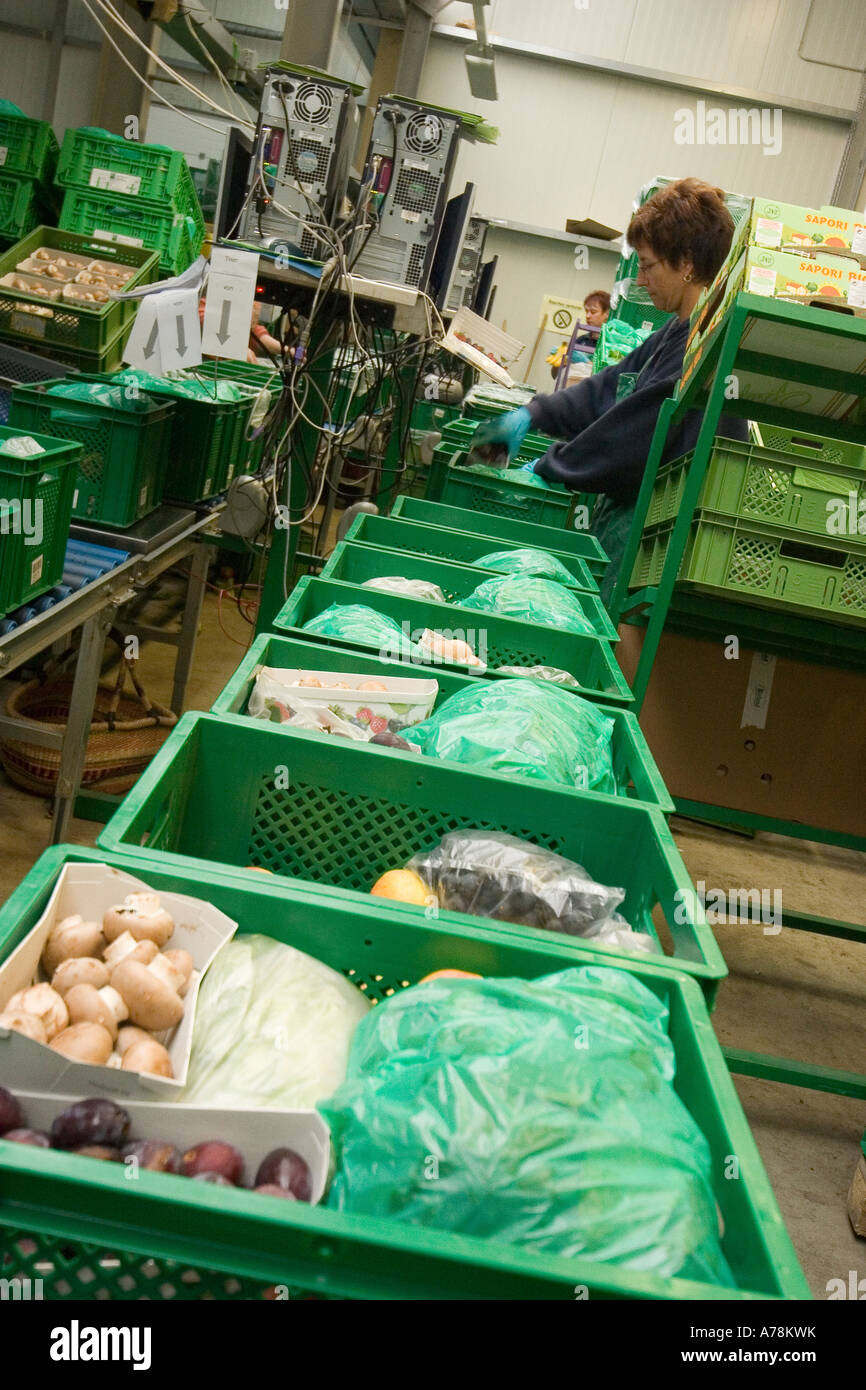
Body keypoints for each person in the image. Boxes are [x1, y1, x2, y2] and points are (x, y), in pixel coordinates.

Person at [474, 179, 748, 605]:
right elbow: (608, 388)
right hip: (632, 526)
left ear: (687, 263)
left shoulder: (705, 342)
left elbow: (635, 436)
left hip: (658, 544)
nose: (640, 280)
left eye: (649, 265)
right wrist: (535, 413)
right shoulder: (677, 330)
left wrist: (550, 467)